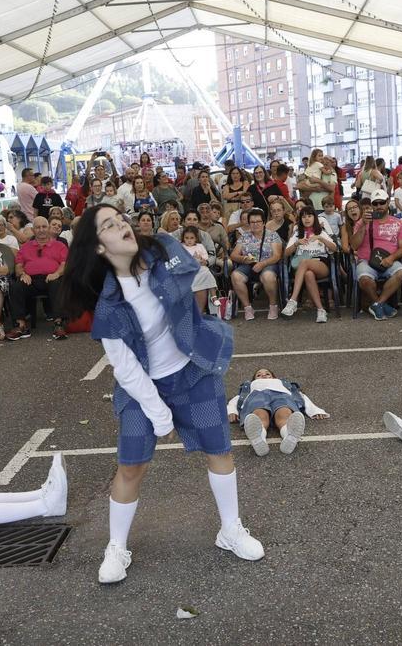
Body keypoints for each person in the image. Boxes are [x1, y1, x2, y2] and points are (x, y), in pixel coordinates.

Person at [61, 204, 265, 585]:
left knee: (219, 449)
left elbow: (193, 278)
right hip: (143, 385)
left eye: (120, 217)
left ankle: (231, 530)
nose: (121, 223)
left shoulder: (163, 251)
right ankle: (117, 547)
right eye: (109, 225)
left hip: (192, 371)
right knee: (131, 465)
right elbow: (126, 369)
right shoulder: (108, 306)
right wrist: (159, 413)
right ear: (99, 248)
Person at [228, 368, 330, 456]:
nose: (263, 375)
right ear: (254, 379)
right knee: (259, 413)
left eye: (267, 374)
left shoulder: (282, 383)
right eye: (258, 375)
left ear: (273, 376)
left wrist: (314, 410)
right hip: (257, 395)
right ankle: (259, 437)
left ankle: (289, 435)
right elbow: (236, 399)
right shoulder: (251, 385)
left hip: (281, 395)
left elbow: (301, 396)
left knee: (284, 412)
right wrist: (232, 411)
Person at [6, 217, 68, 341]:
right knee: (16, 286)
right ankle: (20, 325)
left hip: (51, 278)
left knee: (57, 283)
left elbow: (65, 264)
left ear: (49, 228)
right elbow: (18, 265)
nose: (41, 230)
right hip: (31, 279)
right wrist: (23, 274)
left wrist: (57, 273)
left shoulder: (59, 245)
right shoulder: (25, 247)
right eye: (38, 227)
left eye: (44, 227)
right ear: (33, 230)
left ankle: (58, 324)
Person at [353, 194, 402, 321]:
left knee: (401, 272)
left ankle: (377, 304)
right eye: (375, 203)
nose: (378, 206)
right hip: (367, 260)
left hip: (389, 260)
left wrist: (391, 258)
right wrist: (363, 226)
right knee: (365, 279)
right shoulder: (362, 222)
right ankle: (380, 304)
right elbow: (354, 245)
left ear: (388, 202)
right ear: (372, 205)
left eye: (382, 202)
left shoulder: (398, 223)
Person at [281, 208, 337, 323]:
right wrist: (296, 243)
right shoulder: (297, 234)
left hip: (321, 264)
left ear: (314, 218)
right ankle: (321, 310)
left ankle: (293, 300)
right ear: (300, 219)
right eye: (304, 217)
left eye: (309, 216)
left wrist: (320, 238)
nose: (306, 219)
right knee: (308, 274)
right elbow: (286, 253)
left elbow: (334, 248)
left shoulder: (321, 232)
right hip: (303, 267)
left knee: (305, 263)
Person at [230, 208, 283, 321]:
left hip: (268, 263)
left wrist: (263, 263)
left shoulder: (272, 235)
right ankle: (247, 307)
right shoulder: (244, 236)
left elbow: (277, 256)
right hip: (249, 264)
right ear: (249, 223)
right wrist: (243, 258)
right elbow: (233, 255)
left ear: (263, 222)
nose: (255, 224)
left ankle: (273, 306)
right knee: (236, 276)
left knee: (268, 276)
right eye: (252, 222)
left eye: (258, 221)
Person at [180, 225, 217, 313]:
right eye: (187, 238)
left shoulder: (200, 246)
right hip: (187, 268)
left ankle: (213, 295)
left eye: (192, 238)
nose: (189, 240)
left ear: (196, 238)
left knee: (206, 272)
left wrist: (200, 258)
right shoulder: (181, 246)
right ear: (183, 238)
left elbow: (205, 256)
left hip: (199, 267)